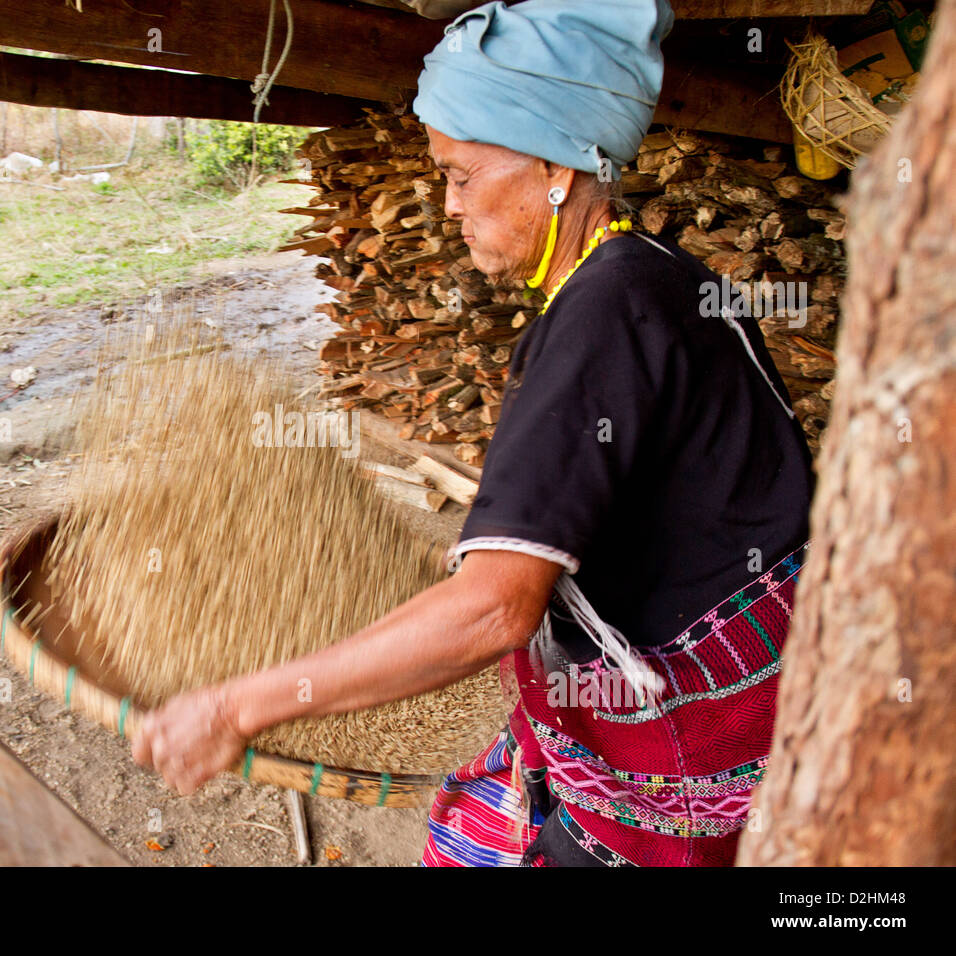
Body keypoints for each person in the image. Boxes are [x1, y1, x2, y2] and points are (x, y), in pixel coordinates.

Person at [131, 0, 814, 866]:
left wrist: (236, 707)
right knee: (485, 814)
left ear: (555, 166)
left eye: (459, 174)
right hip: (776, 687)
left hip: (705, 755)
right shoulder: (665, 276)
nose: (447, 205)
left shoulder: (602, 320)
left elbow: (494, 607)